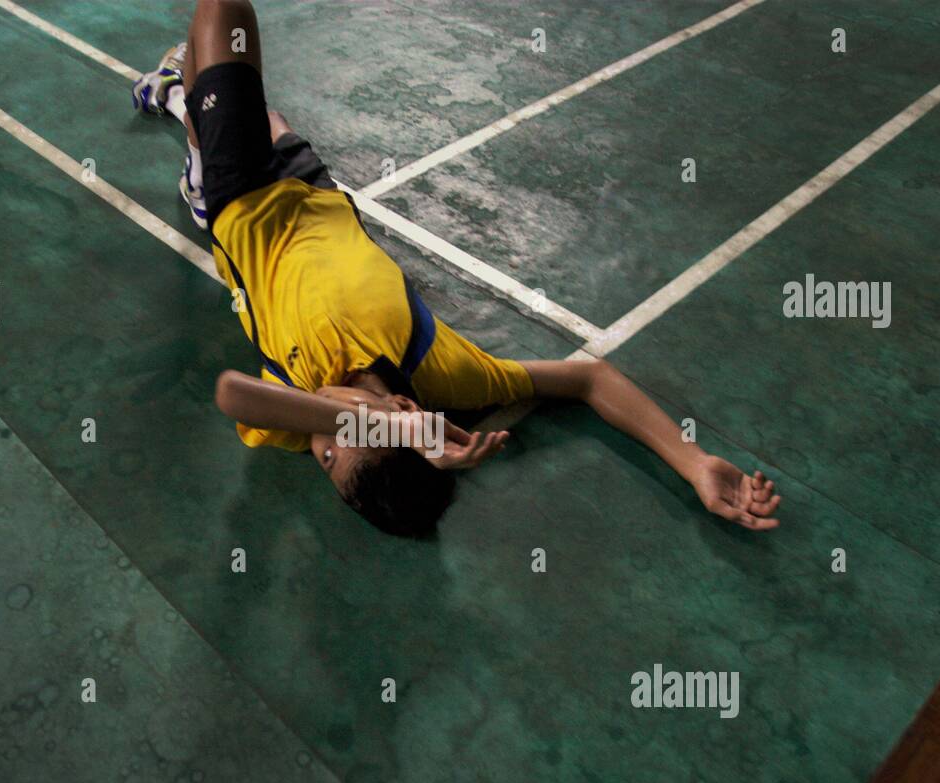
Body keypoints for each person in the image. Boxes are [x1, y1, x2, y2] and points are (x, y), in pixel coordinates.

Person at [133, 0, 782, 538]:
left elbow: (232, 395)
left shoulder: (293, 403)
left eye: (323, 456)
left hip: (241, 199)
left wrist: (372, 424)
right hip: (319, 193)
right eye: (339, 439)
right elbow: (588, 380)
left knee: (223, 14)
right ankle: (186, 106)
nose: (319, 440)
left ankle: (188, 125)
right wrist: (690, 459)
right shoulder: (447, 371)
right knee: (260, 112)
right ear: (405, 409)